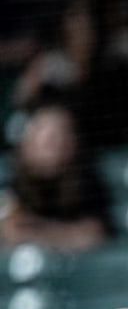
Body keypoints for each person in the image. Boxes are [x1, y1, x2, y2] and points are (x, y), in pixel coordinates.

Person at [12, 0, 128, 150]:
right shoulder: (46, 68)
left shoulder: (118, 65)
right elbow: (22, 109)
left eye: (90, 16)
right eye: (75, 16)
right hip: (62, 153)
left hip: (112, 152)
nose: (84, 24)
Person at [1, 99, 111, 253]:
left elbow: (94, 235)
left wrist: (39, 229)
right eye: (49, 138)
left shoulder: (86, 177)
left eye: (64, 135)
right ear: (28, 143)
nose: (58, 143)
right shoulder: (14, 178)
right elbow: (10, 232)